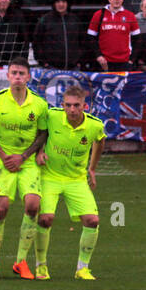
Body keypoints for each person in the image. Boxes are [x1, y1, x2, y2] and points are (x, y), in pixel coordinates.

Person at [0, 56, 49, 281]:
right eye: (14, 73)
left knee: (33, 204)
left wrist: (25, 156)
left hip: (26, 160)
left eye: (22, 73)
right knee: (1, 208)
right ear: (8, 76)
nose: (18, 77)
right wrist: (4, 156)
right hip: (2, 160)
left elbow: (43, 133)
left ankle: (20, 261)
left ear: (28, 77)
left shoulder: (39, 104)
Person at [33, 85, 105, 280]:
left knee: (93, 220)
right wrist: (39, 152)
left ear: (85, 106)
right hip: (50, 176)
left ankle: (82, 268)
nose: (72, 109)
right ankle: (41, 266)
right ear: (62, 105)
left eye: (76, 105)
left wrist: (92, 168)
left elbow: (100, 141)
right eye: (68, 105)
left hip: (76, 179)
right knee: (45, 219)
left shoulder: (95, 125)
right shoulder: (52, 116)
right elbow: (39, 132)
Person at [88, 0, 139, 71]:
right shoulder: (99, 15)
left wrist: (131, 60)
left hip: (124, 63)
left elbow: (137, 40)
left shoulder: (130, 16)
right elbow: (90, 38)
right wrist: (98, 55)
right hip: (104, 63)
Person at [32, 0, 85, 70]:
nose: (61, 4)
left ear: (67, 3)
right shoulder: (45, 20)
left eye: (63, 2)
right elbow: (37, 42)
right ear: (53, 4)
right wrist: (43, 62)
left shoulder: (75, 19)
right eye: (58, 2)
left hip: (73, 68)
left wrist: (79, 61)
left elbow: (83, 41)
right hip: (51, 68)